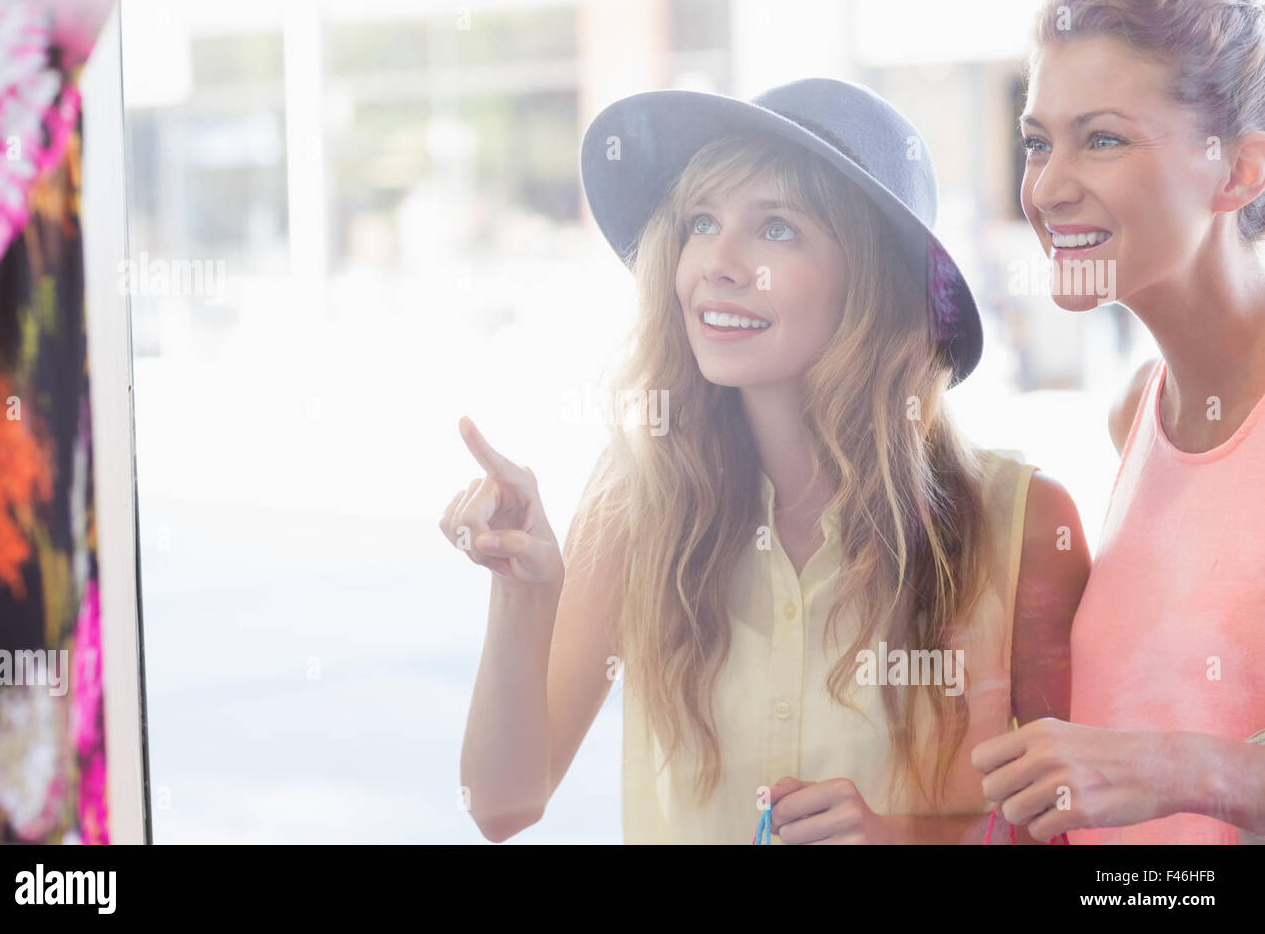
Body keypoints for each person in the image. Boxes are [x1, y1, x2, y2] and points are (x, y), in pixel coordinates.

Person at [447, 78, 1089, 843]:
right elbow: (500, 805)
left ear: (876, 282)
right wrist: (524, 593)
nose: (716, 263)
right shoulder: (635, 500)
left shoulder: (1024, 525)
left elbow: (1088, 836)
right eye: (701, 222)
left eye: (776, 229)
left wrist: (902, 837)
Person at [973, 0, 1265, 845]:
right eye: (1037, 144)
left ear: (1239, 170)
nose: (1049, 188)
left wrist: (1183, 770)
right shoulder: (1137, 413)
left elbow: (1154, 770)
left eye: (1101, 139)